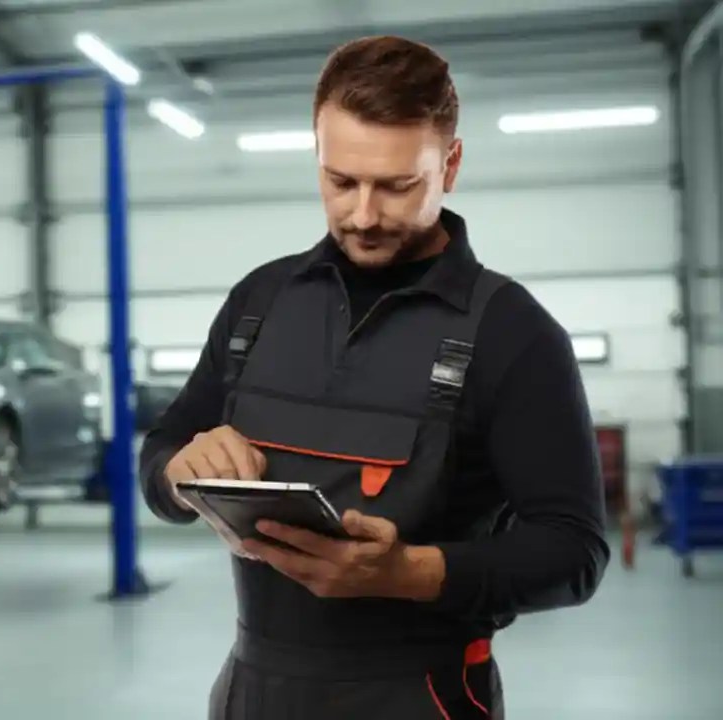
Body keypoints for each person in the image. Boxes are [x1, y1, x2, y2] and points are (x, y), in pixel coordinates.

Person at [139, 35, 610, 719]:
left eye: (396, 186)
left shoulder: (513, 334)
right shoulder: (258, 305)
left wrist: (410, 573)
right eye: (341, 182)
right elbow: (163, 449)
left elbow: (575, 552)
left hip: (421, 694)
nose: (363, 215)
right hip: (254, 690)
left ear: (450, 164)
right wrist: (178, 474)